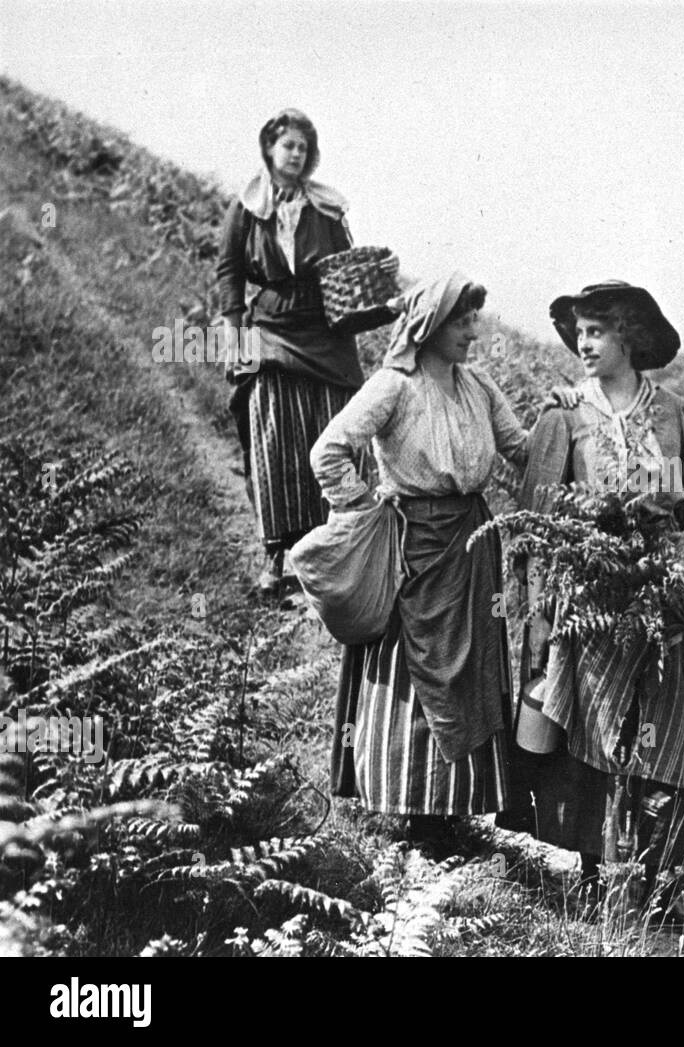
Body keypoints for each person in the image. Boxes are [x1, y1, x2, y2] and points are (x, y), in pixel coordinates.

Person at [501, 280, 684, 936]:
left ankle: (658, 879)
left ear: (628, 335)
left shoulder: (672, 415)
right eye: (578, 332)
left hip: (660, 598)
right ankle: (593, 871)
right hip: (590, 597)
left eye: (597, 331)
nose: (583, 343)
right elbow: (538, 511)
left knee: (661, 727)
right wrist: (545, 593)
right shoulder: (566, 415)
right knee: (593, 729)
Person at [310, 272, 527, 841]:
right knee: (412, 669)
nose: (472, 332)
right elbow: (329, 449)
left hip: (472, 547)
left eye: (474, 320)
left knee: (471, 670)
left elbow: (523, 450)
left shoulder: (477, 387)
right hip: (412, 549)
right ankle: (407, 805)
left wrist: (568, 418)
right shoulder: (394, 387)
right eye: (462, 320)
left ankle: (454, 812)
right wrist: (363, 509)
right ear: (429, 323)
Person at [217, 108, 397, 595]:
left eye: (303, 147)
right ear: (270, 149)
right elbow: (229, 271)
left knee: (330, 434)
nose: (295, 154)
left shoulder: (326, 208)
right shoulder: (248, 206)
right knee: (274, 440)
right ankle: (276, 559)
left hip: (325, 333)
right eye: (287, 145)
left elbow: (344, 271)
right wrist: (233, 333)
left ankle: (334, 555)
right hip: (271, 329)